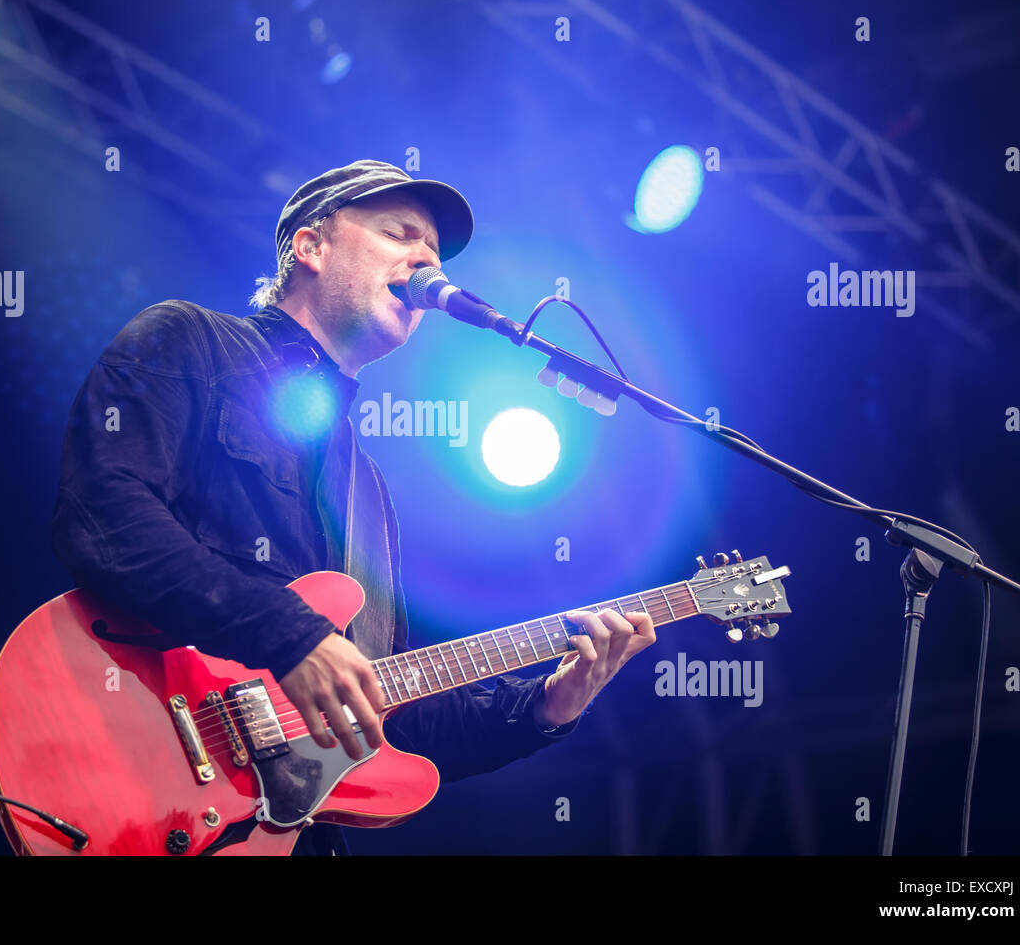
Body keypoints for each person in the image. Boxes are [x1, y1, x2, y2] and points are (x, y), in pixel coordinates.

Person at [50, 159, 657, 855]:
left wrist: (547, 705)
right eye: (400, 236)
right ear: (310, 247)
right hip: (136, 763)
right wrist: (290, 636)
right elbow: (103, 514)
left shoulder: (367, 494)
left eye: (433, 254)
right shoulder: (191, 341)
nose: (426, 264)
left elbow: (391, 716)